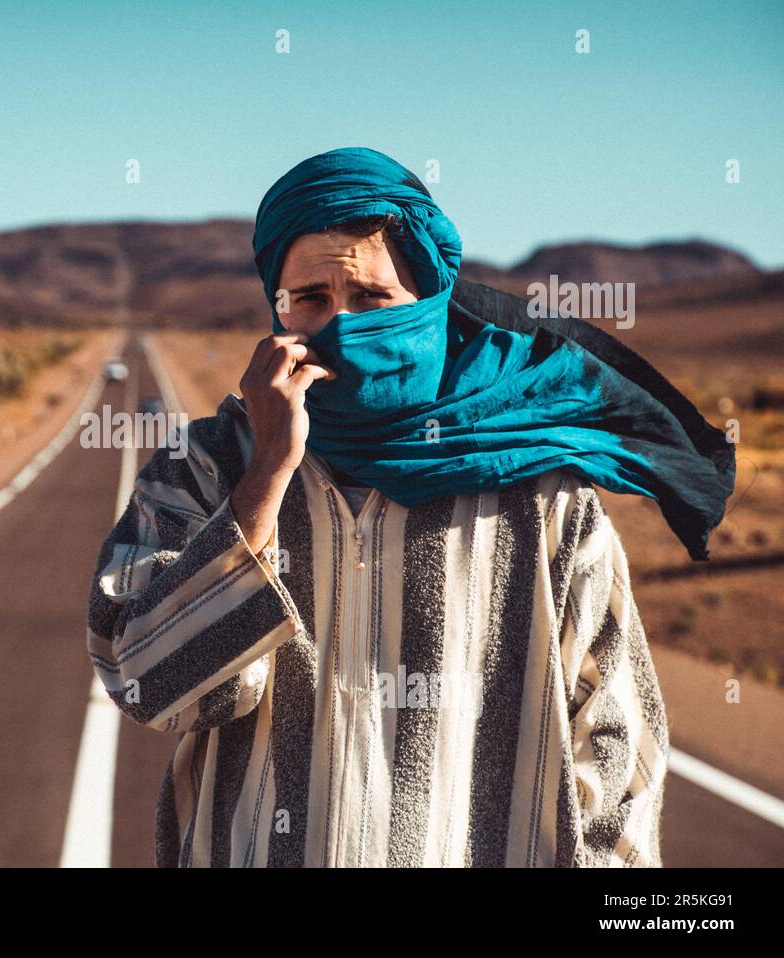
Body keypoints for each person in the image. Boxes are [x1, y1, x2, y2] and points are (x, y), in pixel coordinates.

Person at [85, 147, 735, 868]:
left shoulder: (538, 493)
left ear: (428, 304)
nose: (341, 327)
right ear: (277, 307)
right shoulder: (205, 468)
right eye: (311, 299)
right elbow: (153, 685)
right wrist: (266, 476)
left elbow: (618, 743)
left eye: (370, 298)